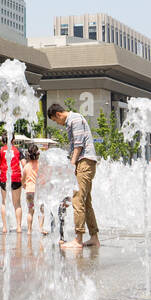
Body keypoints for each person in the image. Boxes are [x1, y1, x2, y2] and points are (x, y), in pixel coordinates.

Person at [48, 103, 99, 250]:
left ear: (58, 114)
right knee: (86, 201)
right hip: (85, 162)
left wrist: (71, 165)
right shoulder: (74, 120)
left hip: (84, 162)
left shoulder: (74, 120)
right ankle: (94, 238)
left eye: (54, 120)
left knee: (77, 200)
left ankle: (78, 239)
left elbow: (78, 145)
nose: (57, 123)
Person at [0, 141, 24, 233]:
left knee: (4, 202)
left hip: (4, 178)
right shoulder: (18, 150)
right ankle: (19, 227)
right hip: (16, 178)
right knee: (17, 203)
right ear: (13, 140)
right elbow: (24, 164)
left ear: (2, 141)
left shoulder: (0, 150)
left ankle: (4, 227)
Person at [21, 144, 44, 234]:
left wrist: (24, 185)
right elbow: (44, 177)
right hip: (38, 190)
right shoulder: (40, 165)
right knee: (41, 211)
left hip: (29, 191)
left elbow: (22, 179)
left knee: (30, 211)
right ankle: (40, 229)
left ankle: (29, 230)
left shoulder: (26, 166)